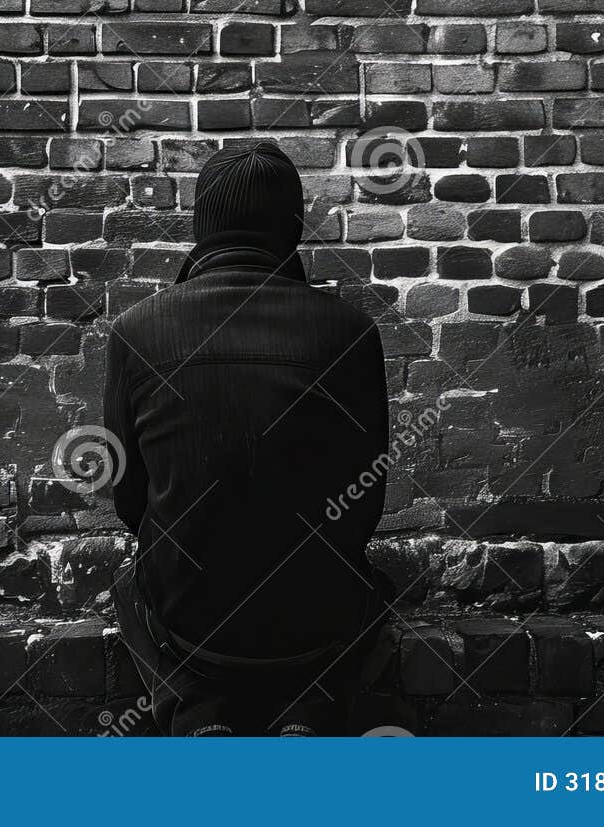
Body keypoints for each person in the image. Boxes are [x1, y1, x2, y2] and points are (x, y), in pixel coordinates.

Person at [103, 141, 392, 736]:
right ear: (291, 228)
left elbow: (131, 504)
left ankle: (195, 710)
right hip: (311, 634)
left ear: (201, 227)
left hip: (192, 633)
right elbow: (365, 506)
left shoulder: (137, 332)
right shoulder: (351, 332)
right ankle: (309, 710)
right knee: (372, 586)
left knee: (131, 585)